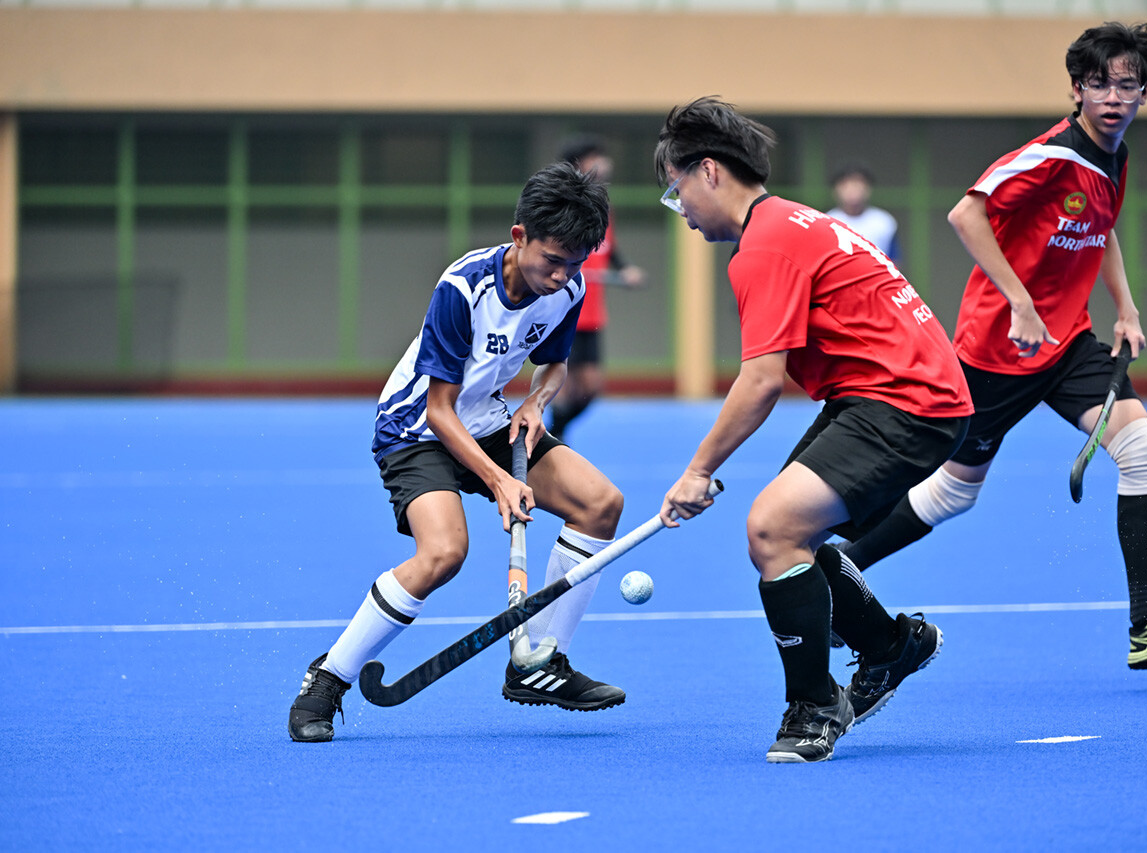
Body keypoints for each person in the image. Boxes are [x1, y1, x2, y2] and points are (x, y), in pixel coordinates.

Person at [835, 22, 1147, 671]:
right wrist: (1018, 299)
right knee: (955, 493)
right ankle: (837, 566)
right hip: (997, 352)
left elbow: (1100, 228)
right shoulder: (1053, 154)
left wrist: (1124, 306)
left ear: (1145, 94)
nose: (1114, 97)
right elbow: (967, 214)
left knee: (1142, 448)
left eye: (1128, 84)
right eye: (1099, 83)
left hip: (1067, 343)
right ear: (1076, 89)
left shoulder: (1112, 157)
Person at [654, 97, 974, 763]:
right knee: (793, 532)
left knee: (772, 528)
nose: (677, 207)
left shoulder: (763, 245)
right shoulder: (794, 221)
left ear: (708, 172)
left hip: (905, 401)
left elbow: (762, 380)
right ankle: (891, 645)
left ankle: (815, 704)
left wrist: (696, 468)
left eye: (675, 186)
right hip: (888, 395)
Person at [288, 162, 627, 743]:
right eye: (553, 259)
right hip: (417, 426)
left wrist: (537, 401)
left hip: (490, 417)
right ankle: (327, 679)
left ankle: (538, 662)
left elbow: (555, 364)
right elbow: (440, 410)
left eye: (576, 262)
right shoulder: (465, 287)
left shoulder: (568, 287)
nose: (563, 275)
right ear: (519, 237)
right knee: (444, 552)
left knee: (601, 503)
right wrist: (499, 481)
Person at [550, 136, 646, 441]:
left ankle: (553, 431)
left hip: (592, 314)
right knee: (562, 381)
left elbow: (608, 248)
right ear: (579, 164)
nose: (604, 164)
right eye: (595, 157)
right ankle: (548, 438)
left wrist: (625, 268)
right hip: (565, 309)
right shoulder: (563, 205)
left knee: (590, 387)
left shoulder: (605, 207)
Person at [826, 163, 901, 267]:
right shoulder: (826, 221)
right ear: (835, 189)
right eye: (845, 184)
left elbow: (894, 262)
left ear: (868, 188)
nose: (852, 189)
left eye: (858, 184)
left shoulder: (884, 221)